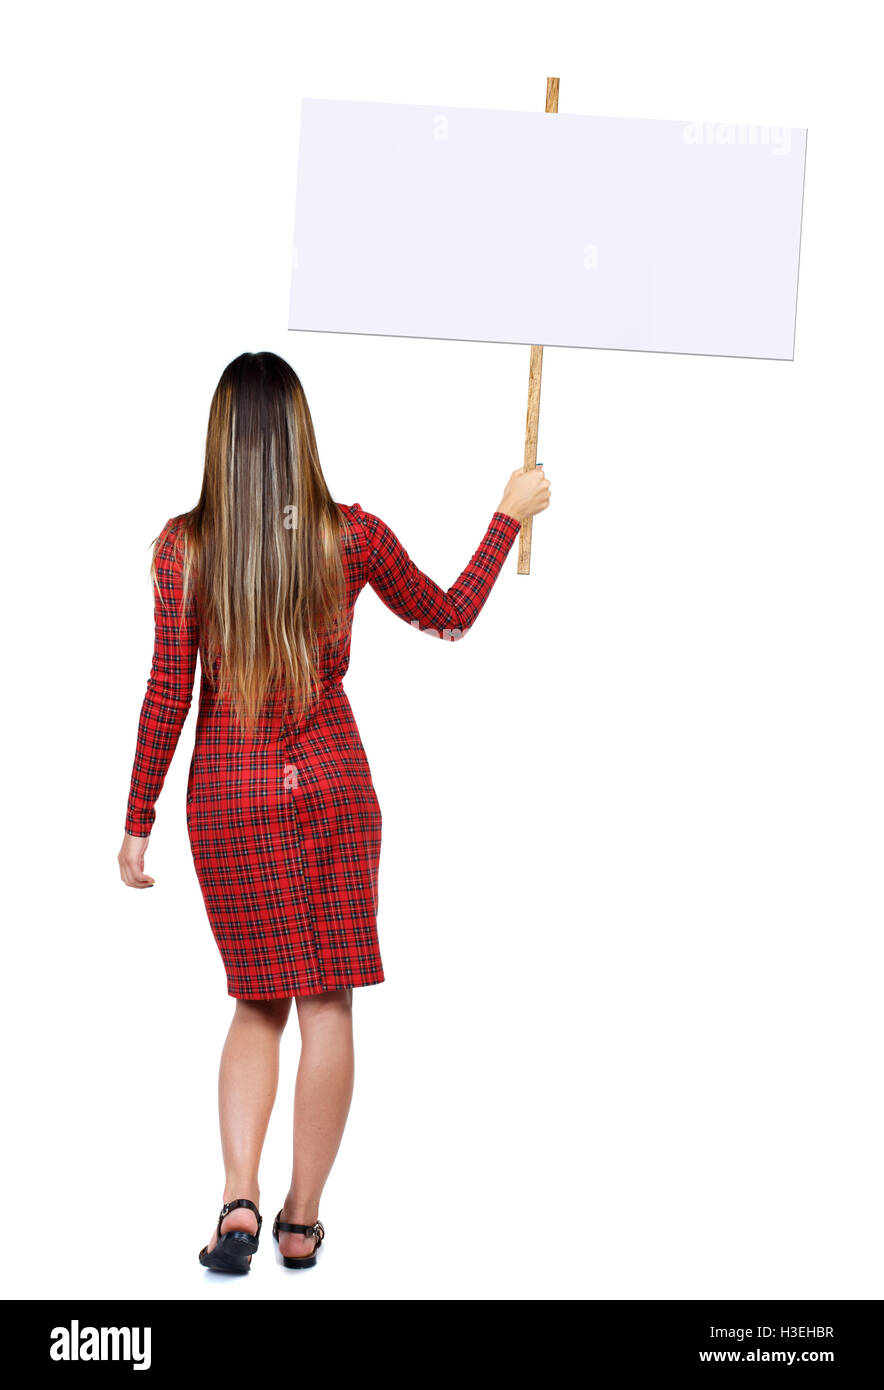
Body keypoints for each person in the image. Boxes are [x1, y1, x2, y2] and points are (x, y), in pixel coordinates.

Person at [118, 351, 551, 1273]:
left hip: (227, 801)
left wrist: (136, 818)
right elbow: (447, 617)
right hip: (332, 792)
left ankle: (238, 1201)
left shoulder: (180, 548)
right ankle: (301, 1222)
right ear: (301, 437)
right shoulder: (348, 537)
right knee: (327, 1004)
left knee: (255, 1002)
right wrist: (505, 518)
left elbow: (168, 693)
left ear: (223, 443)